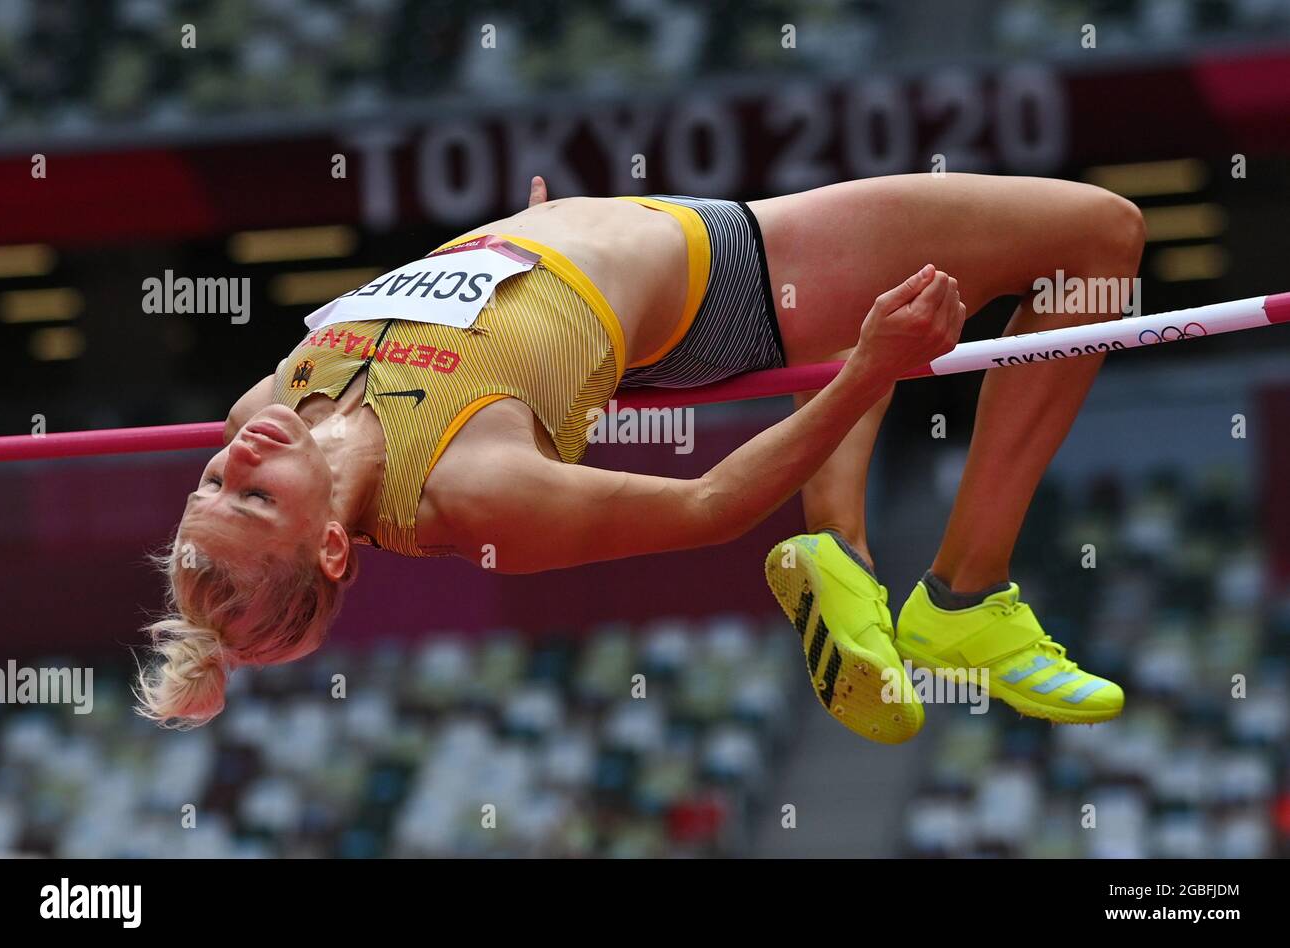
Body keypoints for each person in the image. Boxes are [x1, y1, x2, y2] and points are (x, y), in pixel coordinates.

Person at [138, 173, 1145, 738]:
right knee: (1097, 238)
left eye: (212, 481)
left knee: (916, 284)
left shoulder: (261, 406)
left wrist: (533, 225)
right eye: (255, 495)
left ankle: (840, 560)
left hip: (606, 250)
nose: (241, 455)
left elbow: (460, 316)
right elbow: (709, 506)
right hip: (724, 275)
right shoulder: (464, 492)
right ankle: (963, 599)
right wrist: (873, 369)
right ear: (327, 547)